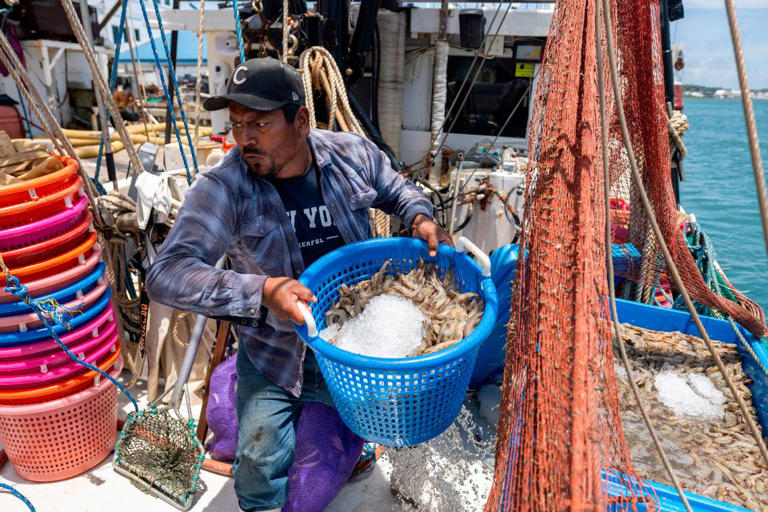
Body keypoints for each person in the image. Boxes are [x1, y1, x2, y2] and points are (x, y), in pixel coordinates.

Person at [145, 57, 452, 512]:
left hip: (356, 347)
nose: (245, 138)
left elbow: (397, 189)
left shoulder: (353, 154)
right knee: (258, 457)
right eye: (237, 124)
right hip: (275, 349)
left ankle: (366, 447)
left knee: (391, 428)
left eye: (261, 123)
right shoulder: (223, 186)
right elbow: (165, 274)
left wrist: (421, 217)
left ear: (301, 121)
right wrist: (263, 291)